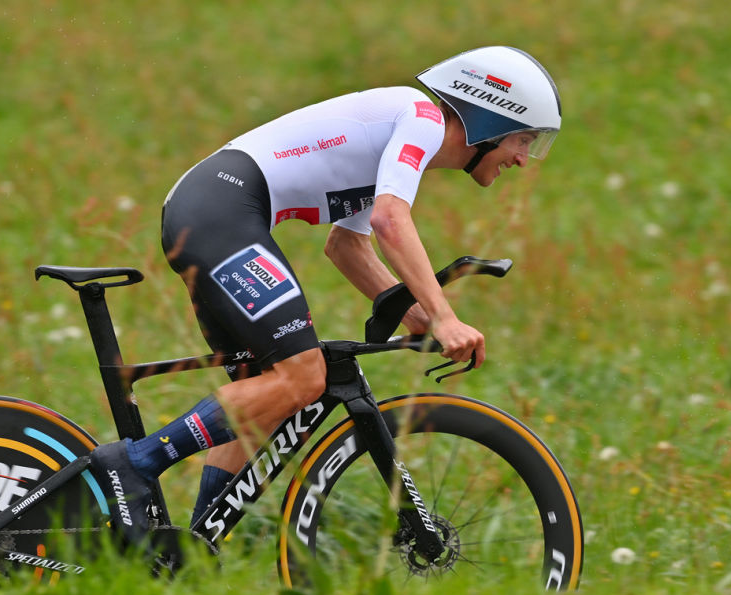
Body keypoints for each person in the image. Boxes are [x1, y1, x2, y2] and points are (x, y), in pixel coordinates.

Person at [90, 45, 562, 543]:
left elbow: (348, 246)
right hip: (219, 211)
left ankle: (189, 548)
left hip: (213, 211)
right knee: (303, 376)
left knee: (267, 393)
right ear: (488, 122)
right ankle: (135, 465)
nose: (524, 160)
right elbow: (389, 221)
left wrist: (416, 315)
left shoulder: (401, 142)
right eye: (523, 140)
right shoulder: (420, 118)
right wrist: (444, 317)